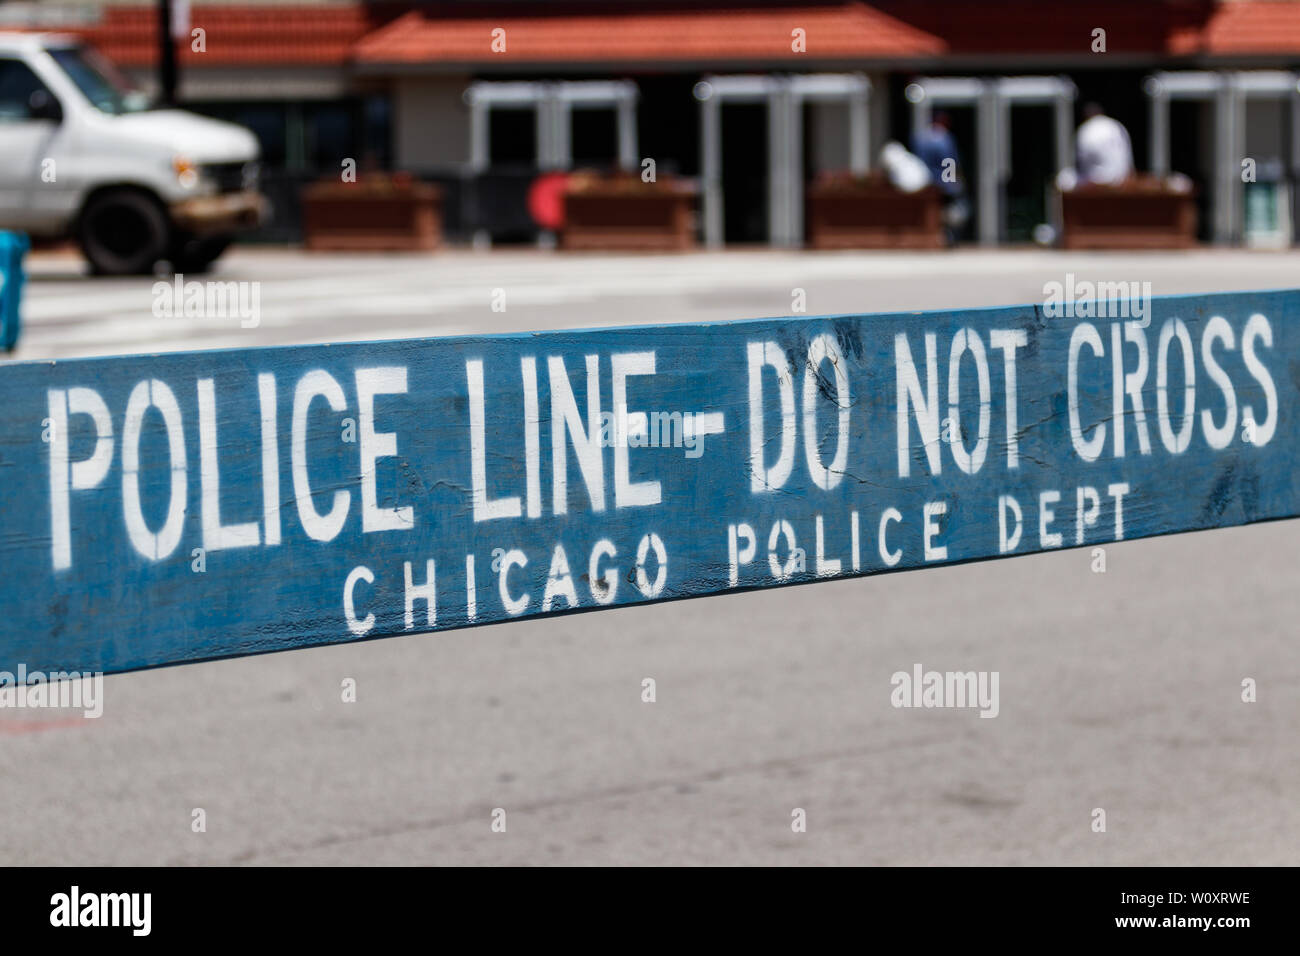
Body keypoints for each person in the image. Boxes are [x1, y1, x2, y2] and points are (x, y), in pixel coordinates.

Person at [911, 111, 969, 244]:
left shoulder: (921, 138)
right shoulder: (945, 139)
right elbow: (949, 162)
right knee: (948, 213)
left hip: (924, 182)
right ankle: (946, 238)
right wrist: (952, 183)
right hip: (942, 183)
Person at [1075, 102, 1134, 186]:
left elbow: (1083, 159)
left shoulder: (1086, 128)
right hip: (1121, 179)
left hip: (1096, 181)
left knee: (1064, 179)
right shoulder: (1116, 125)